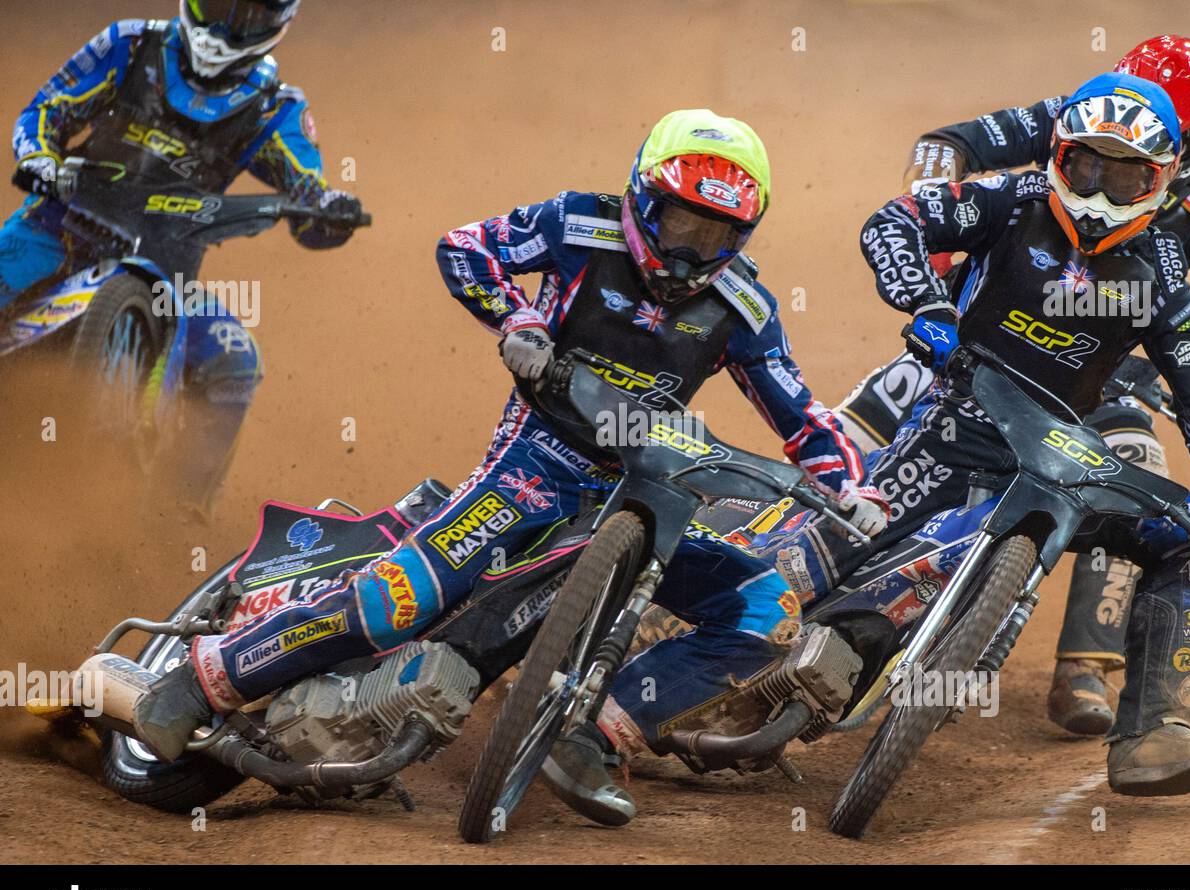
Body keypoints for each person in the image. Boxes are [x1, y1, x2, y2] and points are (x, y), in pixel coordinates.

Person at [132, 109, 889, 826]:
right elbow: (464, 246)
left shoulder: (745, 306)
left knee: (764, 602)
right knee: (404, 599)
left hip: (641, 487)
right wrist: (517, 317)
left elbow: (802, 415)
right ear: (641, 198)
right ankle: (204, 676)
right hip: (536, 458)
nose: (691, 248)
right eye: (680, 221)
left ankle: (590, 733)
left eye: (716, 231)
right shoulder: (577, 222)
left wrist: (848, 485)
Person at [836, 36, 1190, 736]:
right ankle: (760, 552)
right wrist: (935, 240)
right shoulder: (1076, 115)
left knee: (1138, 463)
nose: (1126, 140)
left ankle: (1086, 665)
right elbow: (947, 143)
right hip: (982, 333)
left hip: (1109, 375)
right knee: (862, 415)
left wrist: (1158, 382)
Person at [3, 2, 362, 509]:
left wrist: (330, 210)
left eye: (243, 16)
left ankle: (177, 515)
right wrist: (39, 156)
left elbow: (308, 194)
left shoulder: (274, 107)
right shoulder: (130, 44)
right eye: (217, 6)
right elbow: (47, 109)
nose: (223, 26)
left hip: (168, 271)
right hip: (57, 227)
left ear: (277, 23)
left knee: (235, 360)